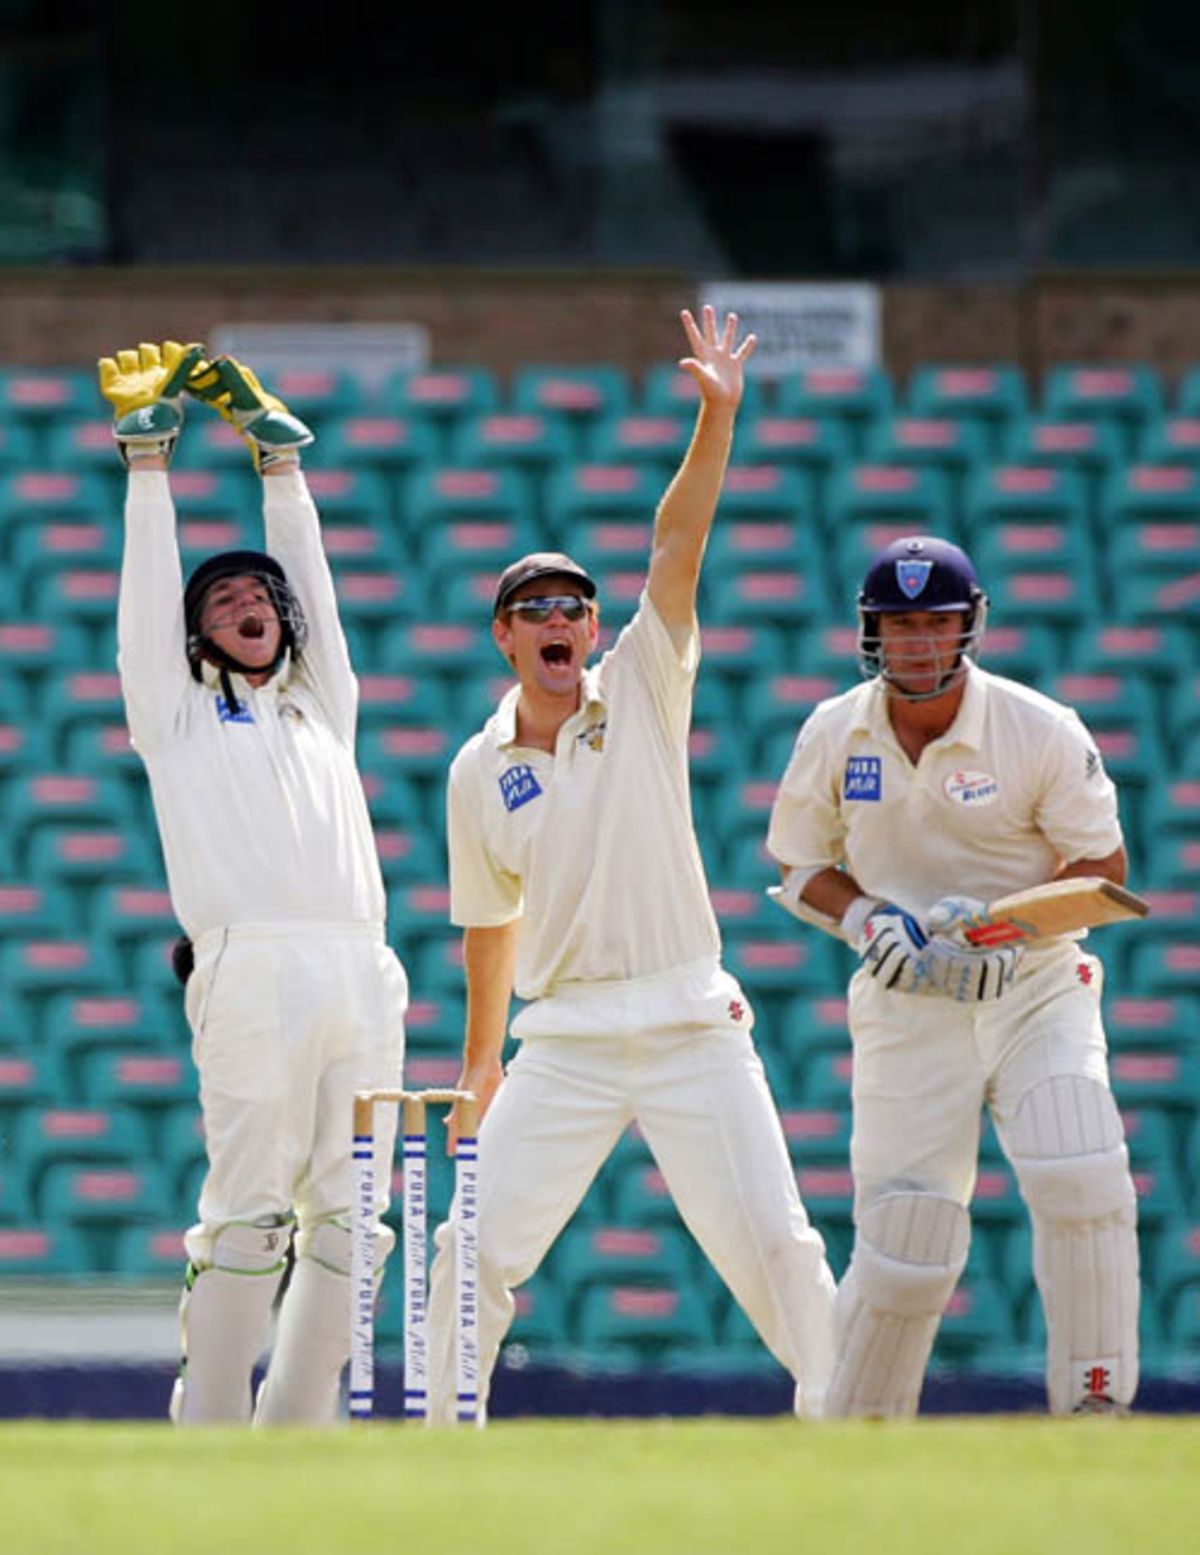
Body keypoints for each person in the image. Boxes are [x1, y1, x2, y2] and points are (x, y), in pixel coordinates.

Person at [422, 306, 837, 1424]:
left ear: (595, 628)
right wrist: (480, 1065)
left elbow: (675, 542)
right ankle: (434, 1455)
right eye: (534, 609)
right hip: (564, 1037)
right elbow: (488, 921)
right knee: (469, 1251)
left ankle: (861, 1429)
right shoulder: (477, 768)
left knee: (781, 1250)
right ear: (506, 637)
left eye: (574, 606)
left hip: (690, 1017)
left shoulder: (645, 683)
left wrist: (717, 417)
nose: (558, 619)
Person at [98, 341, 408, 1425]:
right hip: (250, 969)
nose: (249, 602)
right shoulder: (175, 712)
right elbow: (146, 612)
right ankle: (213, 1431)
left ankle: (295, 1438)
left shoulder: (323, 705)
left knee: (354, 1222)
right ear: (198, 634)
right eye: (224, 597)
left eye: (259, 594)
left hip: (363, 969)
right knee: (247, 1217)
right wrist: (149, 465)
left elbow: (313, 589)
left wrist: (283, 470)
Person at [765, 532, 1140, 1417]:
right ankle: (856, 1441)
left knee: (1079, 1168)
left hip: (1034, 985)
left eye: (936, 622)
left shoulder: (1038, 728)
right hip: (907, 1000)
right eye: (900, 626)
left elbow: (1105, 866)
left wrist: (1008, 925)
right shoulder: (834, 731)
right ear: (872, 633)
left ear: (969, 625)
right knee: (908, 1239)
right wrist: (866, 918)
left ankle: (1097, 1410)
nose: (919, 643)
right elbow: (799, 866)